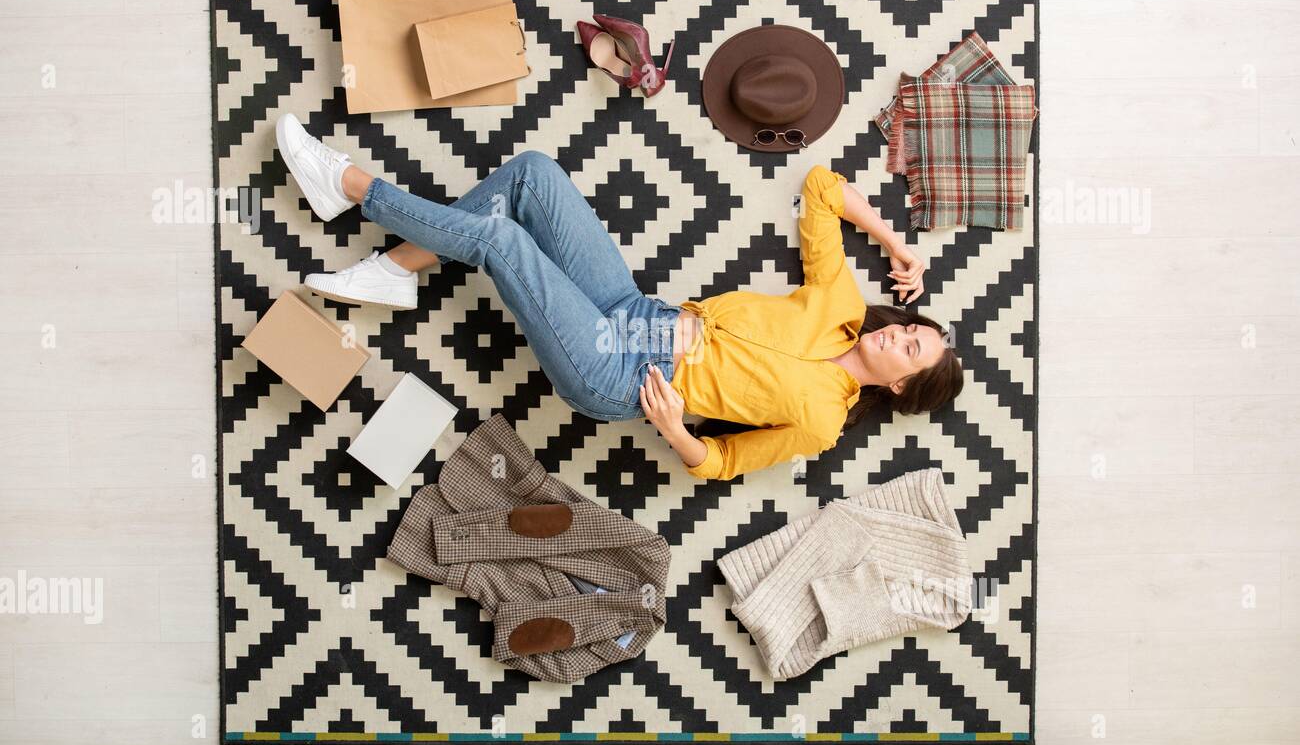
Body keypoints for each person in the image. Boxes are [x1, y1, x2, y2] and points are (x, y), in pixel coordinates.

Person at [275, 113, 963, 481]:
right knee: (534, 177)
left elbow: (721, 465)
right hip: (639, 315)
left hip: (625, 375)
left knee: (503, 244)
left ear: (902, 386)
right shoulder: (841, 305)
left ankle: (352, 187)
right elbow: (821, 185)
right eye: (908, 327)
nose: (894, 334)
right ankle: (397, 269)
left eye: (909, 349)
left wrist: (674, 430)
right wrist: (894, 243)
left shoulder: (821, 427)